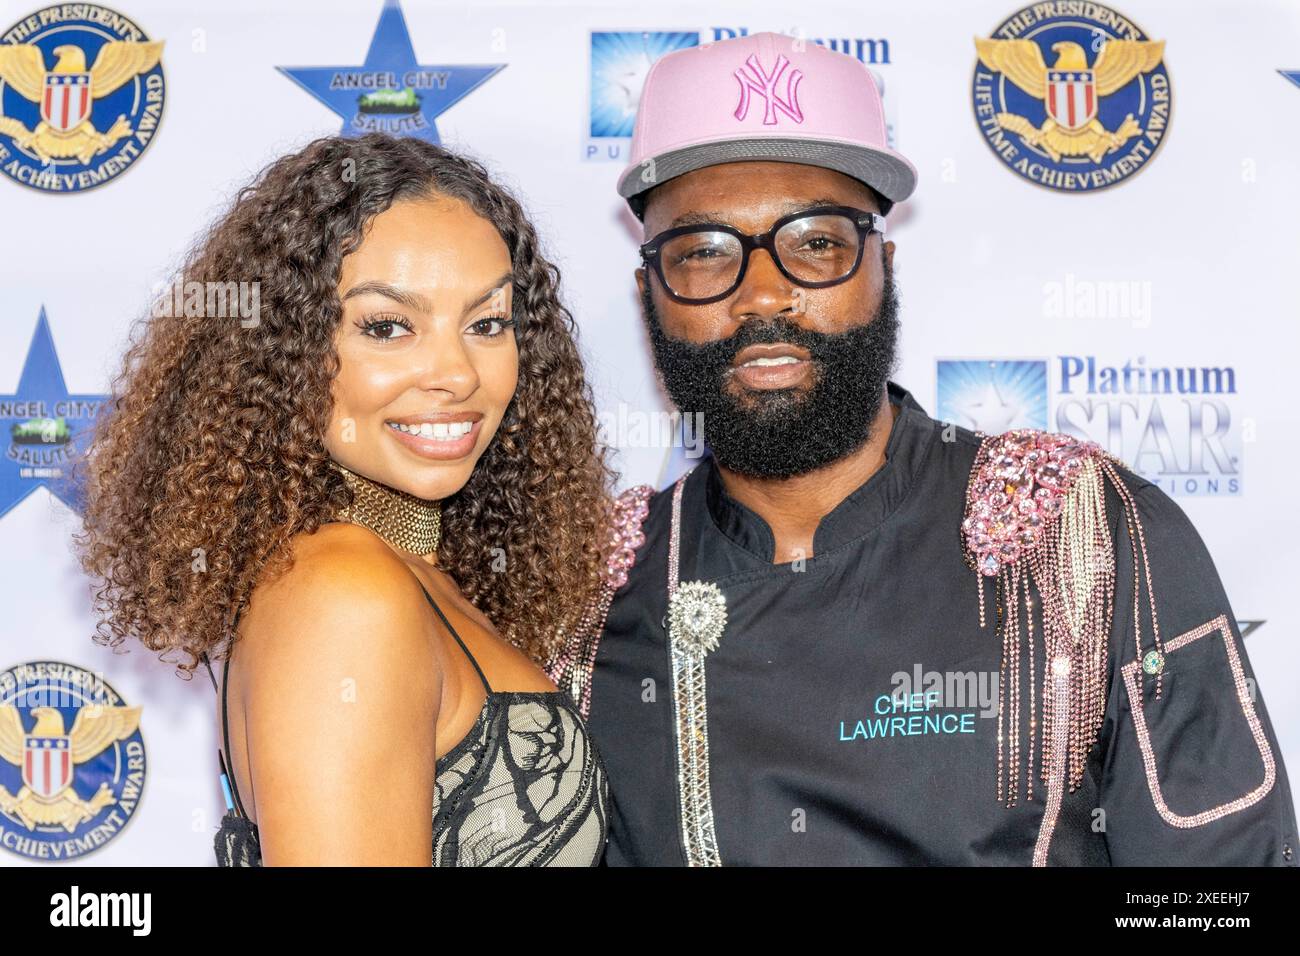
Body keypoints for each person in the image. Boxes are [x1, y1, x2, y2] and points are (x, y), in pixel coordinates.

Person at [548, 32, 1299, 865]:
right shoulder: (589, 596)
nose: (763, 293)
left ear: (884, 265)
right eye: (703, 253)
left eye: (816, 242)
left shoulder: (1083, 538)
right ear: (649, 289)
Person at [76, 133, 624, 866]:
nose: (456, 373)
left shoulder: (398, 571)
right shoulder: (344, 593)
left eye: (487, 323)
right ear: (286, 352)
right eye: (388, 327)